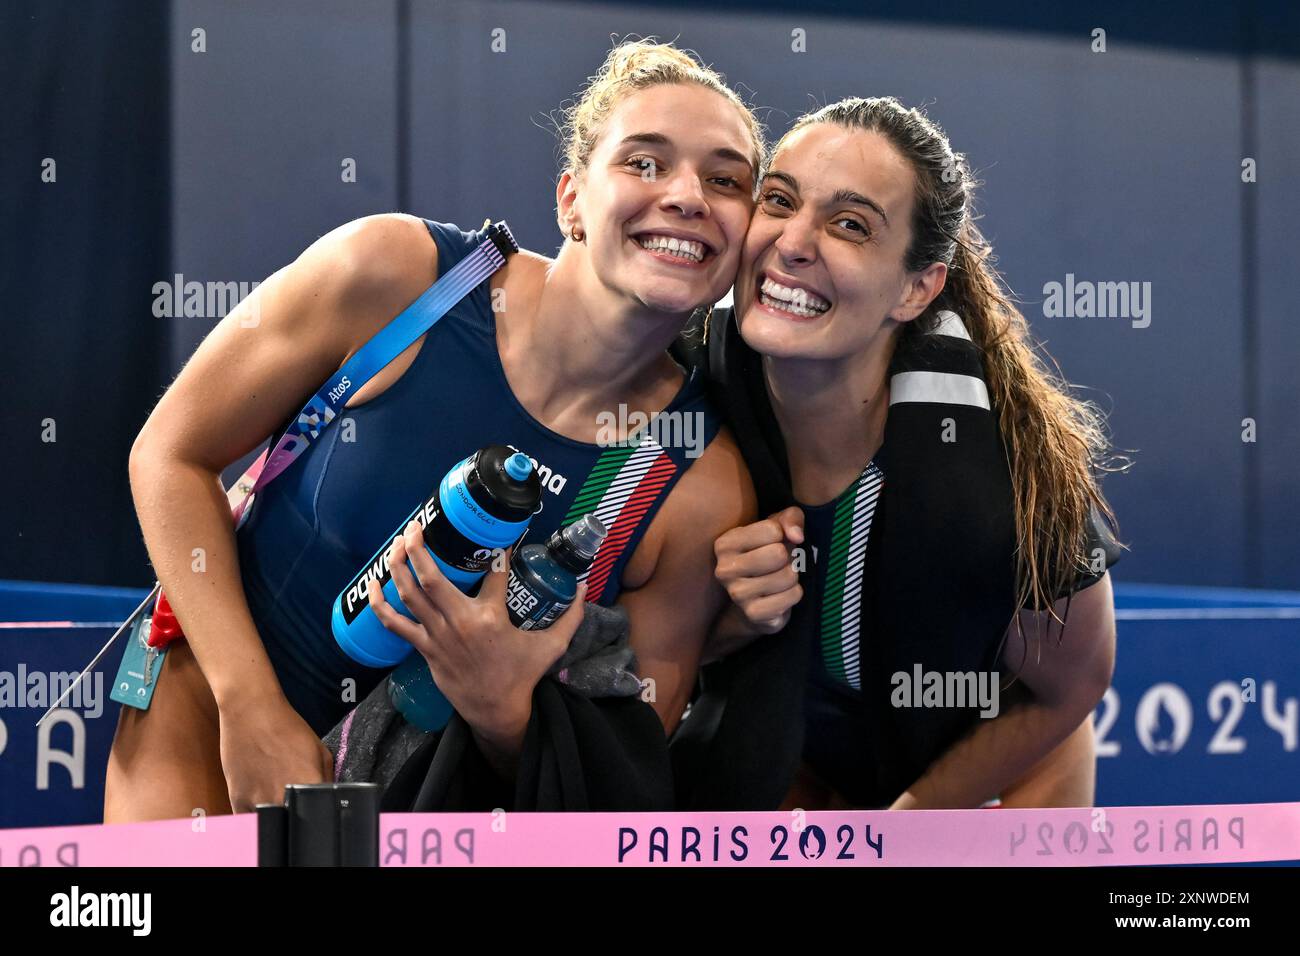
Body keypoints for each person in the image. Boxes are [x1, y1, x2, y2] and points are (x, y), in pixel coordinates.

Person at [105, 40, 761, 821]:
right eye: (645, 163)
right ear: (571, 199)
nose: (687, 194)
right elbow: (171, 453)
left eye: (726, 180)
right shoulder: (400, 277)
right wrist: (247, 704)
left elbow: (611, 780)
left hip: (418, 819)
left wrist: (502, 707)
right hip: (204, 716)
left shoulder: (698, 485)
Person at [684, 96, 1124, 811]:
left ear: (917, 288)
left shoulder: (1003, 468)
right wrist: (724, 625)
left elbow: (1074, 685)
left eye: (850, 225)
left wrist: (910, 826)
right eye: (779, 200)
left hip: (996, 772)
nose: (794, 242)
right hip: (805, 761)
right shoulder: (687, 382)